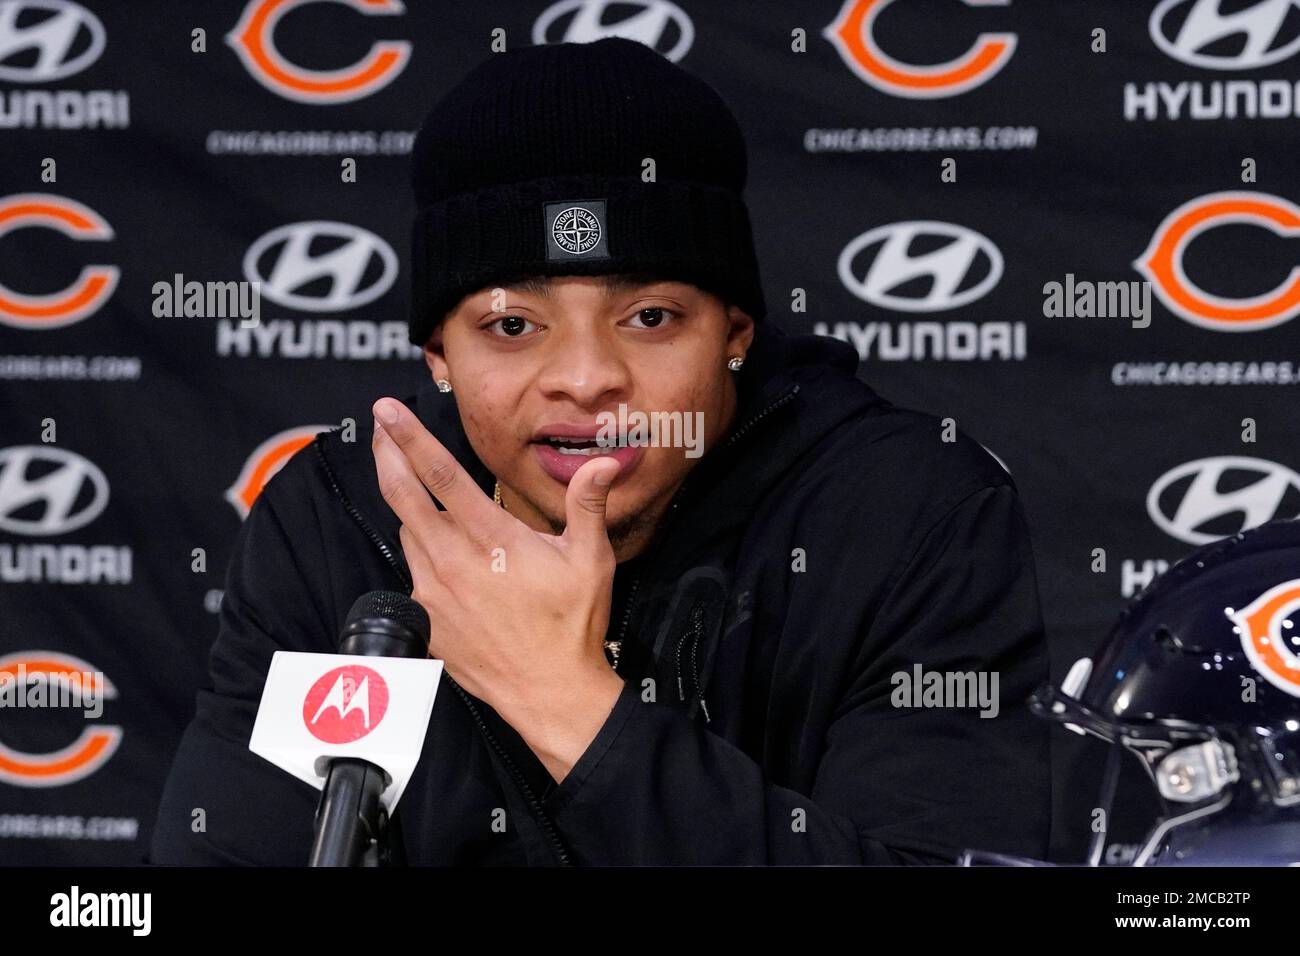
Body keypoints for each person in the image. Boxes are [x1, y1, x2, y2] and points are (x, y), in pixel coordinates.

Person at [149, 36, 1050, 866]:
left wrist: (569, 708)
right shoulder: (339, 519)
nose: (584, 379)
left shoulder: (907, 511)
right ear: (439, 359)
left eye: (650, 317)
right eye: (511, 324)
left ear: (735, 330)